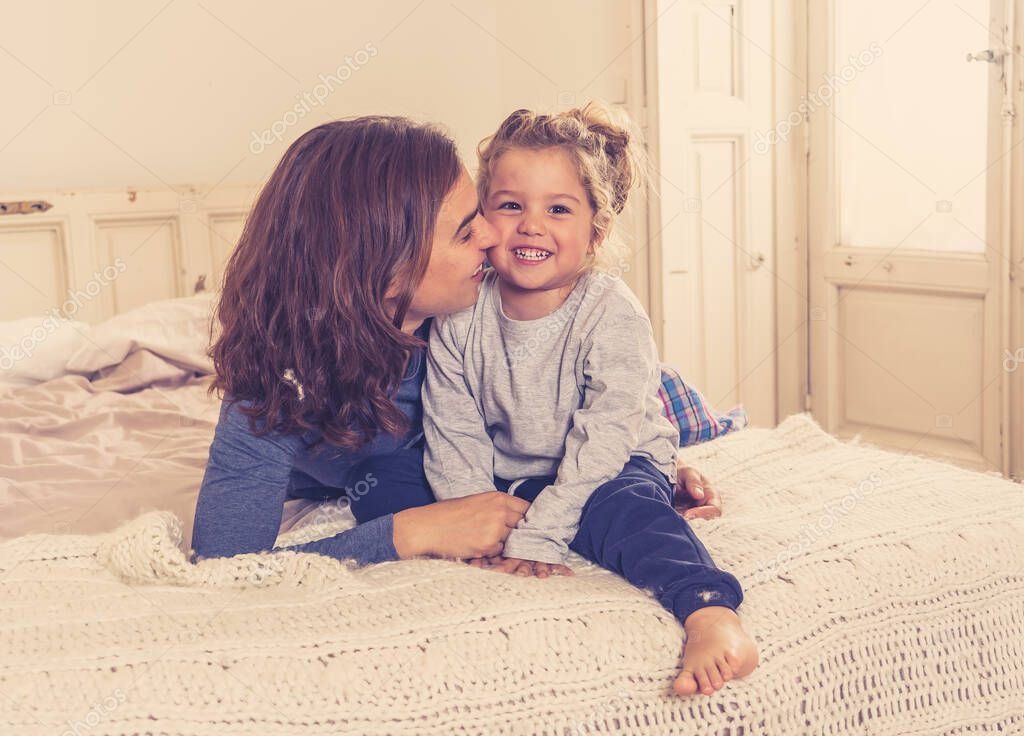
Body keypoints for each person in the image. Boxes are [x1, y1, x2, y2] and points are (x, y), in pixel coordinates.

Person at [190, 115, 720, 572]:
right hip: (389, 483)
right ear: (384, 265)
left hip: (622, 400)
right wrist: (412, 531)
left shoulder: (472, 326)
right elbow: (225, 568)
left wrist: (645, 469)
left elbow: (581, 411)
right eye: (467, 233)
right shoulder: (276, 383)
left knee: (666, 391)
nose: (495, 238)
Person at [420, 104, 759, 697]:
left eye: (558, 209)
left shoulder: (609, 313)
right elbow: (454, 428)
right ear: (480, 218)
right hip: (520, 471)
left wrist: (541, 535)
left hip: (616, 459)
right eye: (509, 205)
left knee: (621, 510)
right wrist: (472, 517)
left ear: (596, 232)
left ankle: (711, 612)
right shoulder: (460, 312)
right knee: (495, 500)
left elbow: (605, 435)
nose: (531, 224)